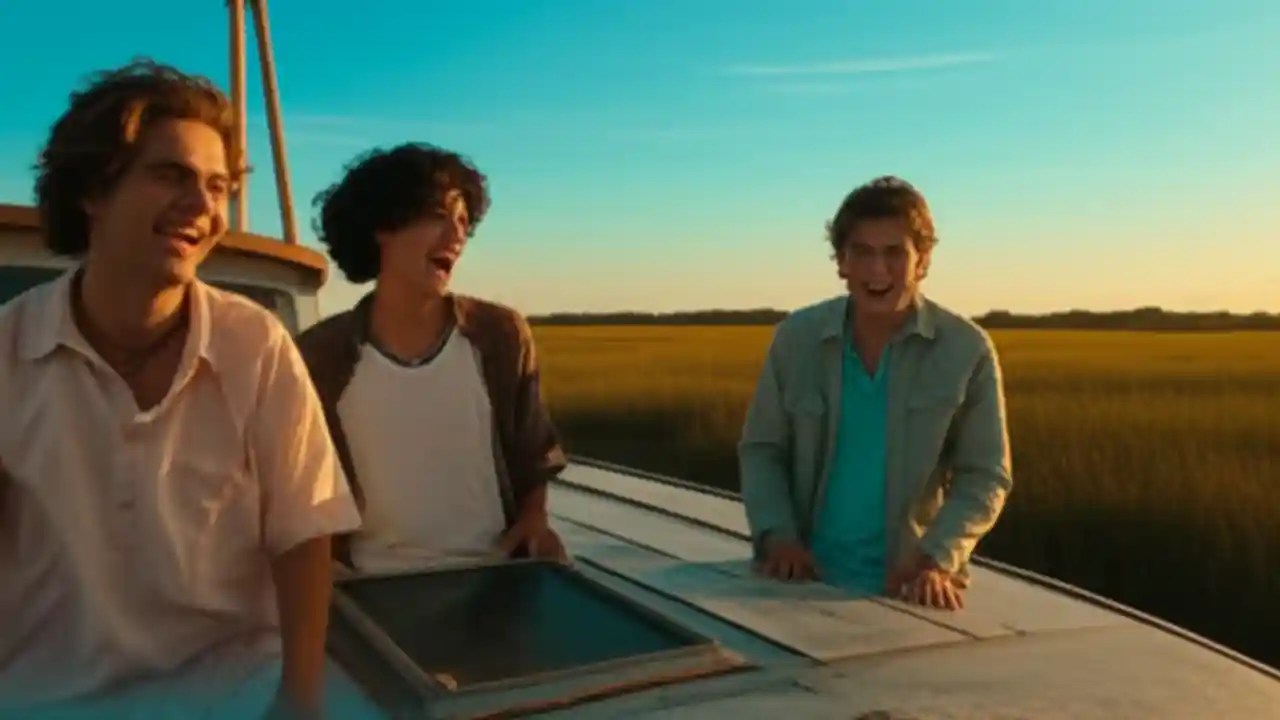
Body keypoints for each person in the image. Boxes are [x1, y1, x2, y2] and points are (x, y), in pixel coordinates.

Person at [0, 60, 369, 718]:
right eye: (171, 175)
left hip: (235, 695)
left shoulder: (256, 345)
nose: (203, 207)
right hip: (45, 697)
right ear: (93, 191)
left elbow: (304, 534)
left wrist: (301, 698)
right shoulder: (8, 350)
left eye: (218, 186)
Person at [738, 176, 1013, 610]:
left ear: (923, 260)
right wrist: (778, 538)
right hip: (799, 585)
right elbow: (762, 449)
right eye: (862, 252)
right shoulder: (796, 339)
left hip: (908, 592)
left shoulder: (966, 350)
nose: (877, 270)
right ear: (841, 262)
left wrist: (935, 559)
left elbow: (985, 476)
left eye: (894, 253)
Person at [295, 143, 568, 575]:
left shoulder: (498, 335)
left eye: (463, 222)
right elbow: (301, 482)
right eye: (439, 216)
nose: (456, 236)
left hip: (496, 578)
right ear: (383, 226)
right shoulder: (319, 353)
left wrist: (535, 519)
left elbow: (533, 452)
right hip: (369, 585)